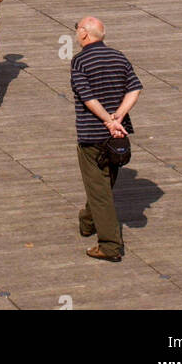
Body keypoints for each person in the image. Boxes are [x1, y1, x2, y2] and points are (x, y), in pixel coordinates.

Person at [70, 16, 143, 262]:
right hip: (117, 137)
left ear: (84, 34)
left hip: (92, 135)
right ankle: (87, 221)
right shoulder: (119, 57)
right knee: (103, 185)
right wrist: (118, 117)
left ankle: (110, 245)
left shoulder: (80, 61)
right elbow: (134, 88)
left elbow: (86, 96)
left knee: (99, 190)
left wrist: (107, 120)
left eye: (77, 29)